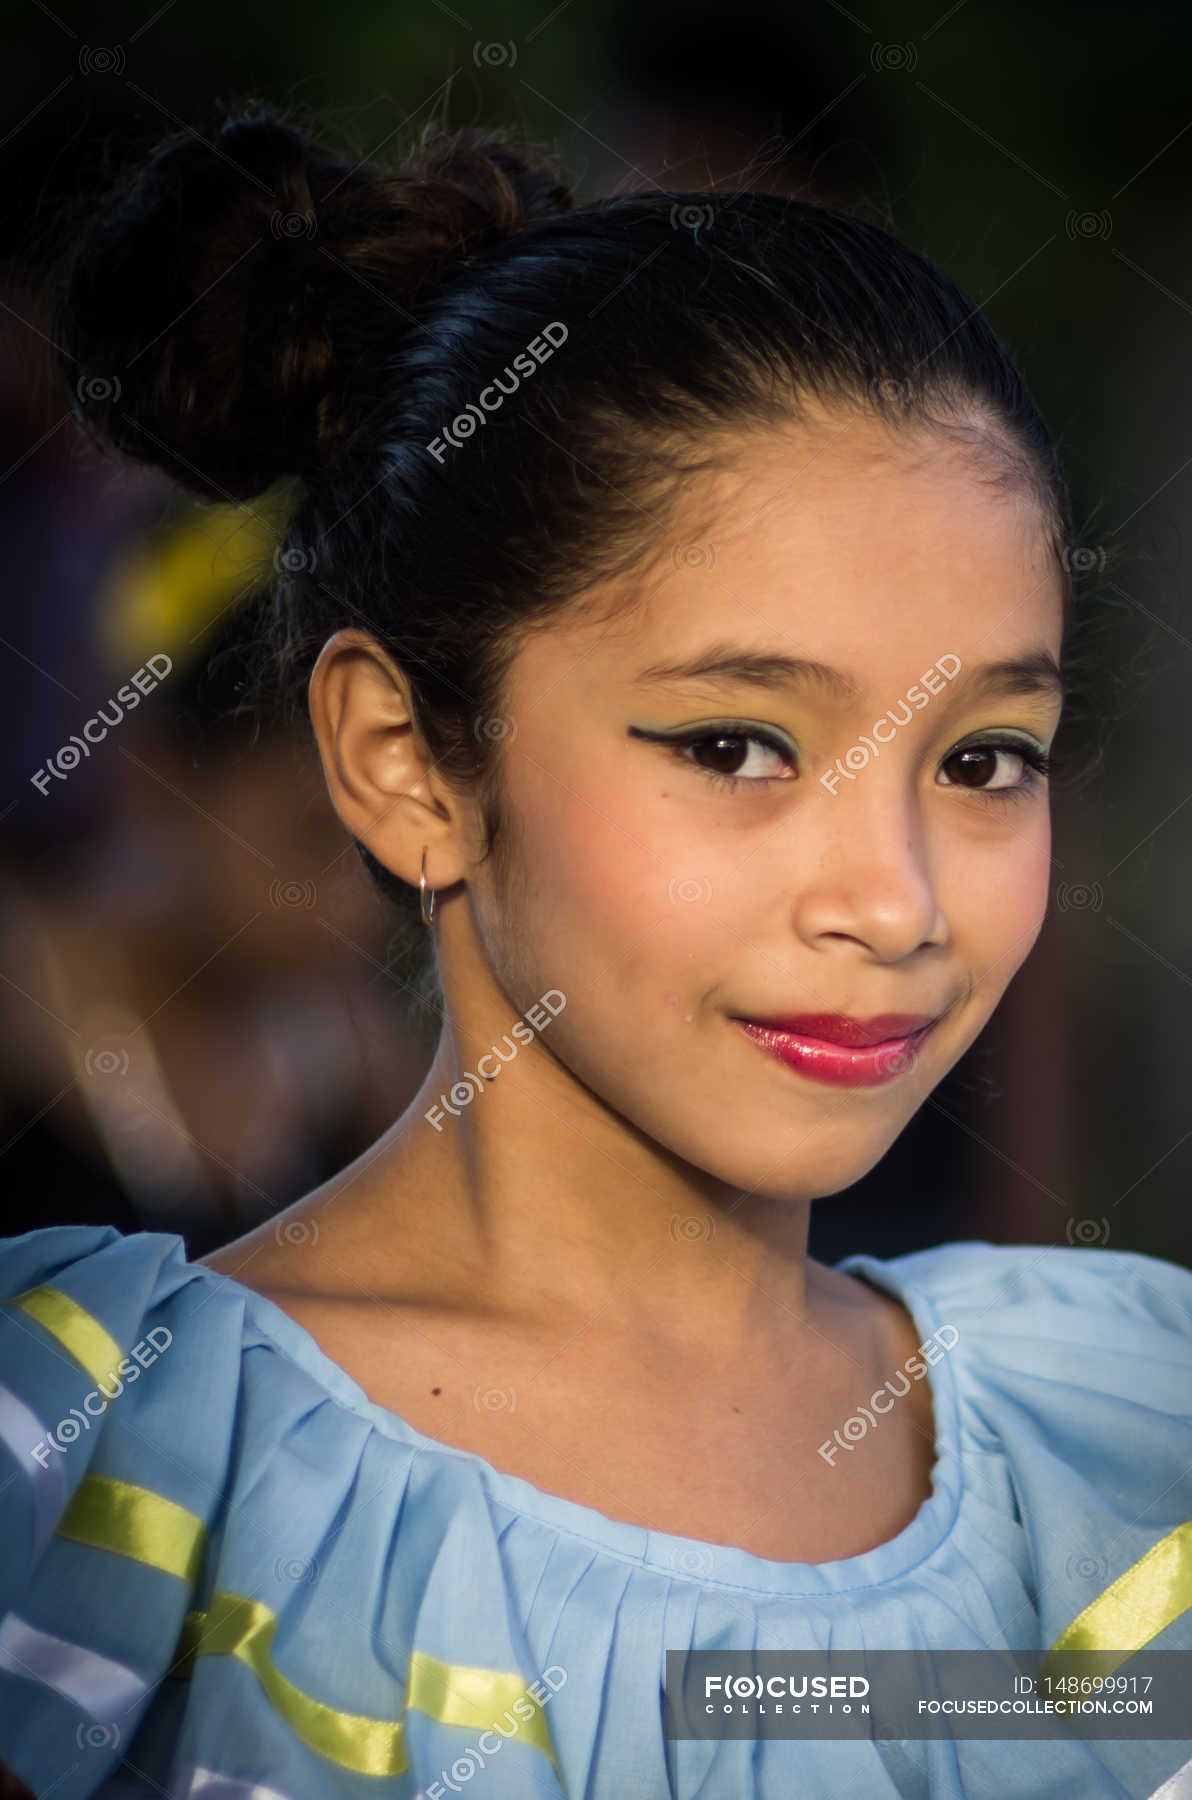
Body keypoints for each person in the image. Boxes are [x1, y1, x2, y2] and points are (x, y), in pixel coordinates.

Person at [0, 98, 1189, 1800]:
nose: (902, 899)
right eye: (736, 747)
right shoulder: (100, 1472)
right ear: (405, 765)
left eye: (984, 759)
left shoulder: (1124, 1445)